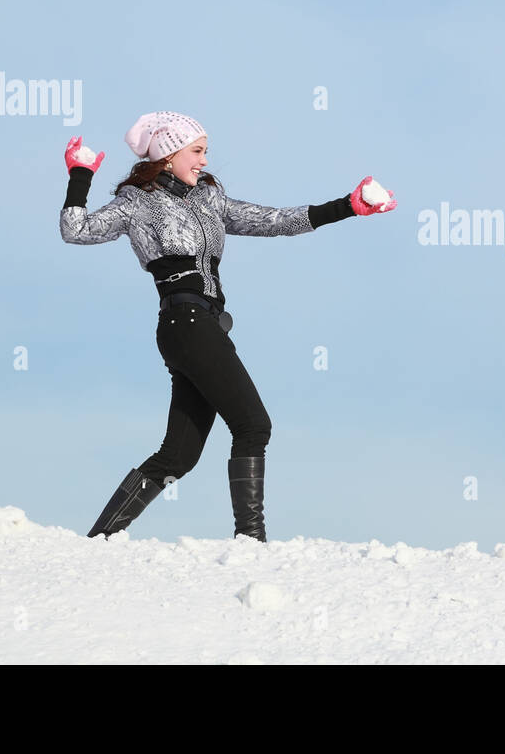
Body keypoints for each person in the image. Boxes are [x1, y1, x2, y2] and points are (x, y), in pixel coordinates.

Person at [59, 110, 396, 542]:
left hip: (204, 327)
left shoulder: (209, 199)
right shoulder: (136, 202)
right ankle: (251, 540)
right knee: (253, 425)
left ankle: (101, 539)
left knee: (177, 456)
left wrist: (348, 206)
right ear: (169, 153)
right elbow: (76, 230)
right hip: (186, 323)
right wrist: (81, 175)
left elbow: (275, 220)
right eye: (197, 151)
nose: (204, 160)